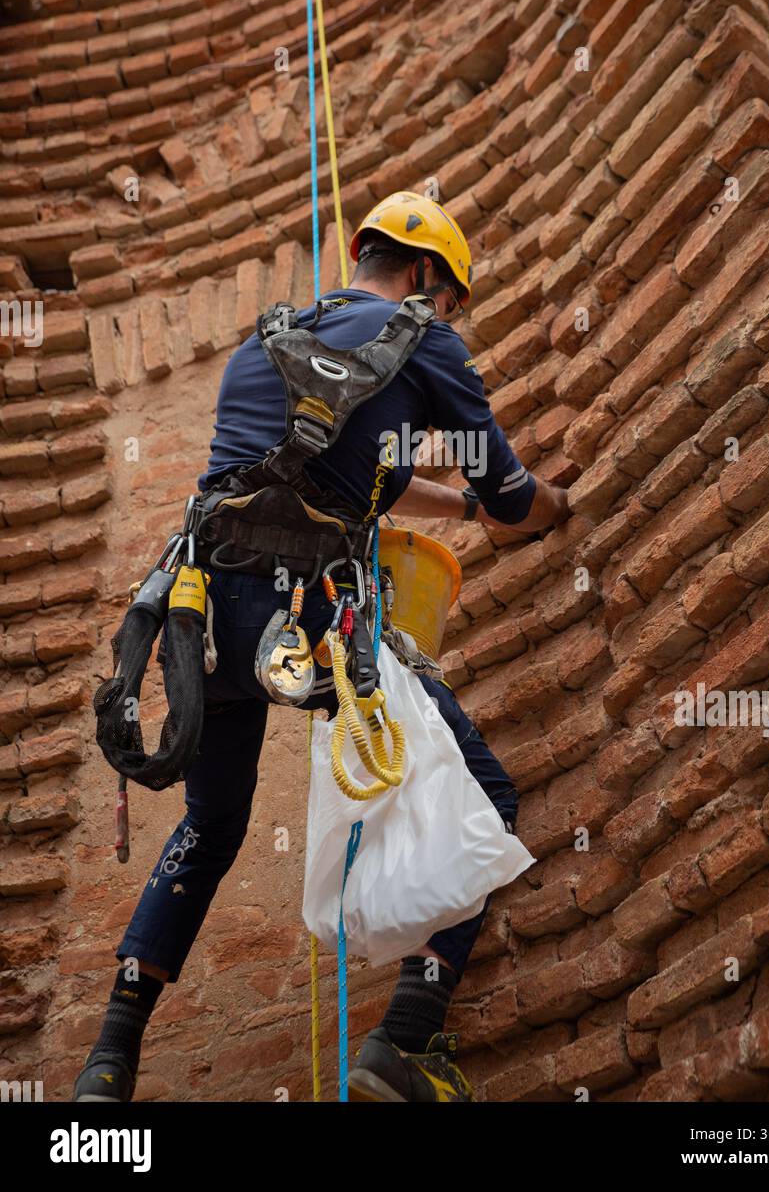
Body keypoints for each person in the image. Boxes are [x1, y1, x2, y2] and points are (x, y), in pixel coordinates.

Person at [73, 192, 569, 1104]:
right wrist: (544, 508)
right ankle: (405, 1039)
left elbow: (339, 471)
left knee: (210, 828)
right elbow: (509, 493)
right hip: (310, 618)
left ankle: (108, 1059)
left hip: (205, 619)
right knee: (489, 792)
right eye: (448, 299)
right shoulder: (427, 340)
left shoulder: (263, 345)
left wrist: (454, 508)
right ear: (424, 274)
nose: (446, 316)